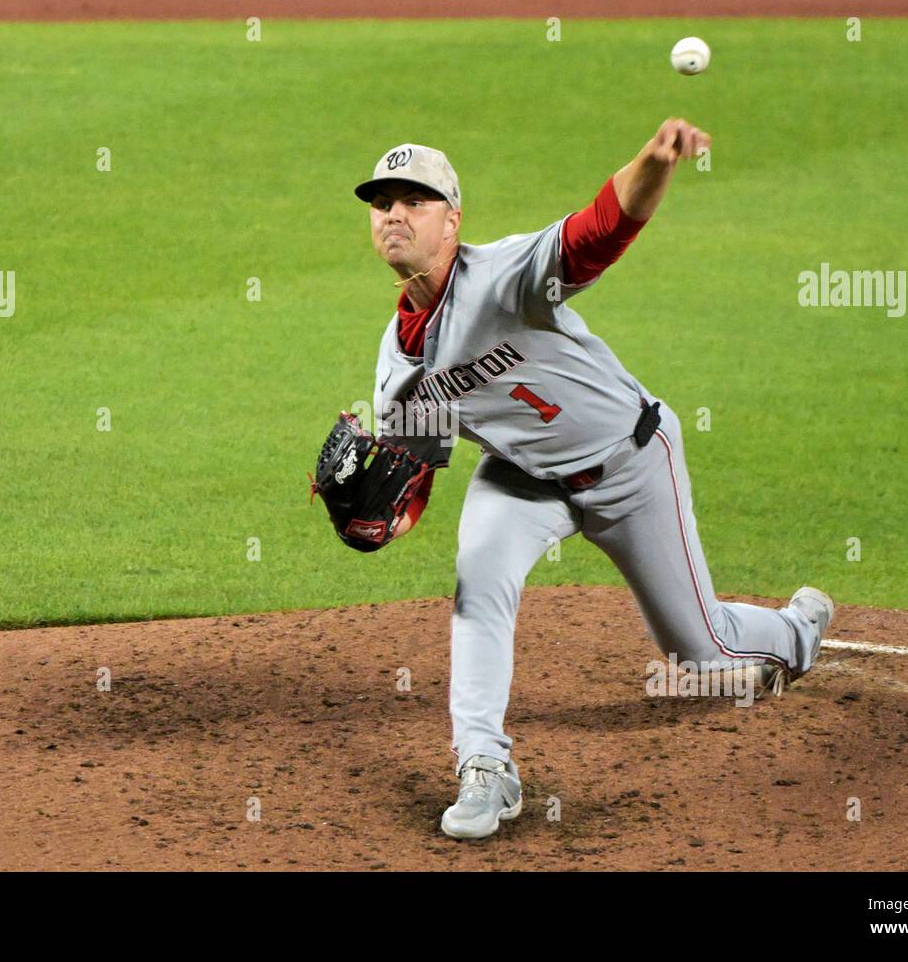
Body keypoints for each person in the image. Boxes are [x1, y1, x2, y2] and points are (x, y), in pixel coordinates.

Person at [351, 121, 835, 840]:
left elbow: (598, 231)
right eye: (382, 201)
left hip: (629, 463)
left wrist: (655, 160)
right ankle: (484, 766)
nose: (393, 214)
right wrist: (370, 520)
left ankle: (796, 631)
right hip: (522, 480)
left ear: (452, 221)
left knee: (699, 652)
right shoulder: (397, 369)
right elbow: (411, 482)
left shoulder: (506, 276)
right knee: (478, 579)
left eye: (413, 201)